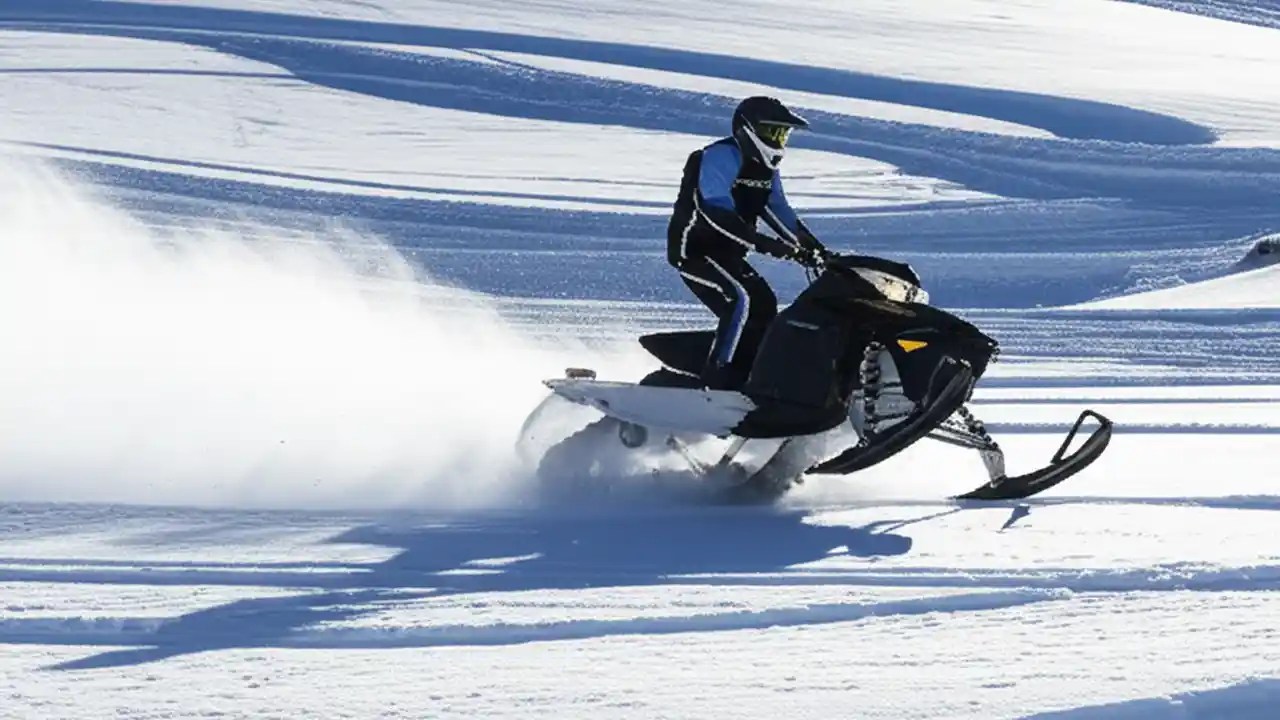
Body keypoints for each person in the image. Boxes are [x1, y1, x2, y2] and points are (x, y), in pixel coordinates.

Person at [667, 96, 827, 390]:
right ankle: (717, 378)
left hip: (729, 254)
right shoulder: (717, 156)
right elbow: (715, 211)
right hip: (696, 250)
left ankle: (753, 377)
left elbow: (778, 211)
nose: (778, 140)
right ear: (746, 129)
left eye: (783, 134)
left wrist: (816, 250)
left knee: (765, 306)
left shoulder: (765, 171)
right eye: (772, 132)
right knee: (741, 299)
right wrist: (767, 245)